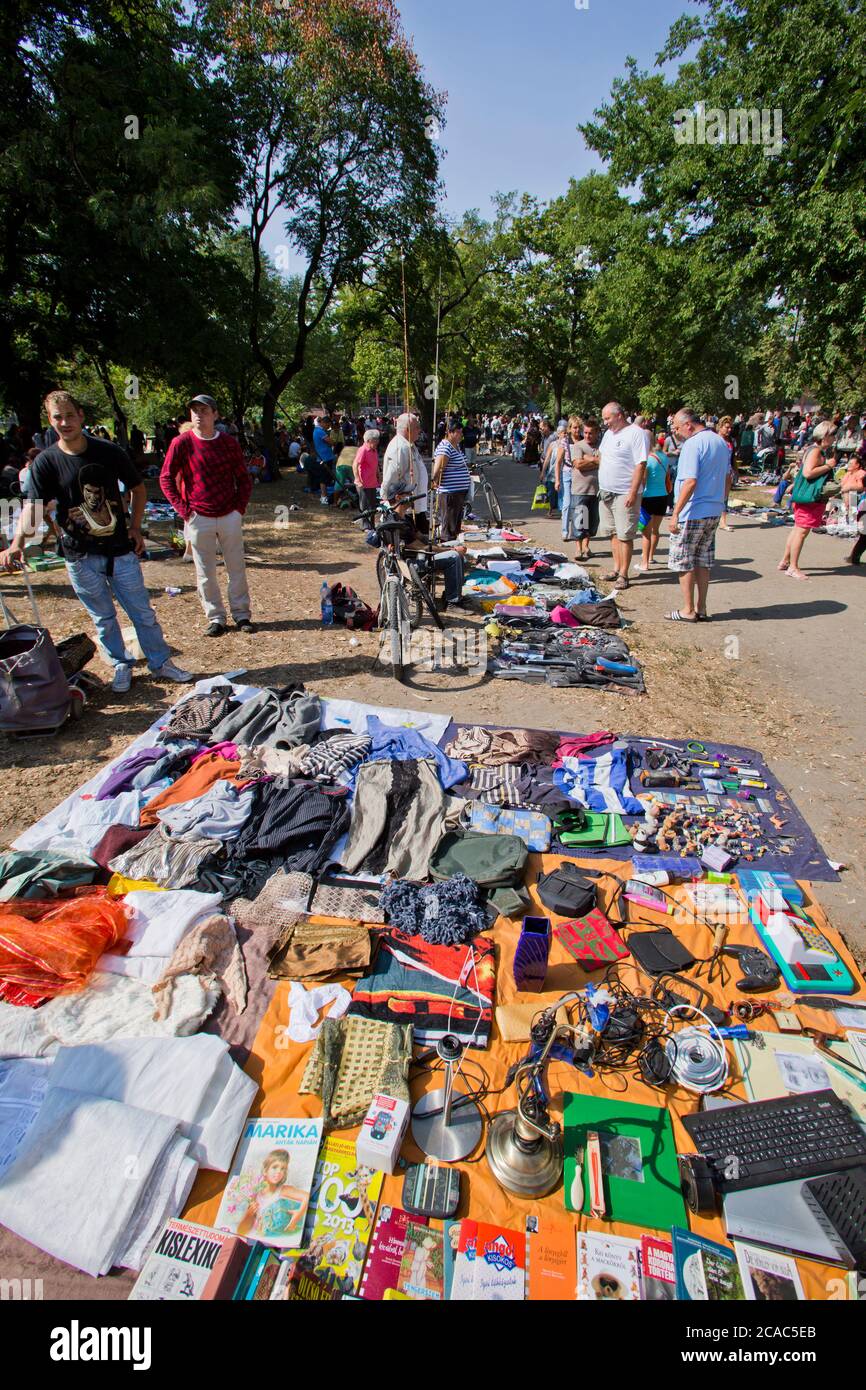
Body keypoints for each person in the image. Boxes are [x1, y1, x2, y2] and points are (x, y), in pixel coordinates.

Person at [0, 390, 191, 692]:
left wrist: (135, 527)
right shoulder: (46, 462)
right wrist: (17, 544)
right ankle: (120, 664)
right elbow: (34, 508)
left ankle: (160, 662)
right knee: (103, 618)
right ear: (50, 420)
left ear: (81, 416)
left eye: (70, 416)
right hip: (79, 555)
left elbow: (138, 489)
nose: (65, 422)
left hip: (119, 550)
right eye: (58, 417)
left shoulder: (108, 451)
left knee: (142, 612)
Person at [160, 393, 255, 637]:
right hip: (198, 515)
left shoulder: (228, 443)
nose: (199, 415)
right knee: (205, 572)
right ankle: (215, 617)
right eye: (195, 411)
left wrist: (238, 509)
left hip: (228, 514)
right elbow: (166, 478)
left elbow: (243, 478)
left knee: (236, 567)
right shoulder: (182, 443)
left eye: (204, 411)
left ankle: (241, 614)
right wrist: (185, 511)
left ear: (215, 414)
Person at [665, 408, 732, 621]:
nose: (676, 432)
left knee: (684, 560)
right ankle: (701, 607)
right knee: (703, 560)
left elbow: (690, 481)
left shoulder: (693, 444)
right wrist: (721, 501)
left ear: (688, 425)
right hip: (713, 509)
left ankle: (688, 610)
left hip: (693, 511)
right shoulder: (720, 442)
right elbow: (728, 477)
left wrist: (675, 513)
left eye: (677, 428)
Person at [778, 420, 838, 580]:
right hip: (809, 498)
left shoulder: (814, 449)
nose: (834, 438)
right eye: (833, 435)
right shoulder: (816, 451)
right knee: (801, 532)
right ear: (825, 435)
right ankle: (793, 567)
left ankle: (785, 561)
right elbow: (808, 473)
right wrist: (828, 466)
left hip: (805, 497)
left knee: (797, 530)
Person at [598, 401, 648, 589]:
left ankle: (624, 574)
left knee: (625, 535)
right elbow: (602, 456)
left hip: (624, 493)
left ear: (619, 415)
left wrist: (633, 492)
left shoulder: (636, 433)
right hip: (606, 491)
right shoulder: (608, 434)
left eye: (607, 418)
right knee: (612, 533)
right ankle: (616, 569)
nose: (605, 423)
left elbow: (640, 464)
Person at [382, 412, 429, 530]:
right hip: (405, 509)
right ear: (408, 430)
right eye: (417, 427)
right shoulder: (401, 448)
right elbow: (391, 478)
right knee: (413, 539)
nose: (419, 430)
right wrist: (388, 499)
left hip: (414, 506)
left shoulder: (409, 444)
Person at [566, 417, 601, 561]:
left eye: (590, 433)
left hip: (596, 490)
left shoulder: (601, 445)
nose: (587, 435)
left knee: (591, 521)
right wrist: (596, 461)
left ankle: (586, 547)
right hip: (580, 489)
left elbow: (605, 461)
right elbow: (578, 465)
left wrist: (589, 459)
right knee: (579, 520)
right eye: (585, 433)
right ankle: (578, 549)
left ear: (597, 432)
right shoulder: (578, 446)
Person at [637, 433, 671, 570]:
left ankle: (644, 563)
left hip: (648, 497)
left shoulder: (647, 459)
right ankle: (651, 557)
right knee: (655, 530)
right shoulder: (664, 456)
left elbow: (643, 481)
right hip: (663, 496)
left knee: (646, 532)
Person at [432, 419, 471, 542]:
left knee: (455, 524)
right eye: (458, 432)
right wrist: (435, 481)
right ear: (450, 432)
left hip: (458, 492)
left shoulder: (456, 446)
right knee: (449, 525)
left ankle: (453, 544)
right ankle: (447, 544)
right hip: (449, 492)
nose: (461, 435)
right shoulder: (445, 446)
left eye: (461, 432)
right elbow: (439, 468)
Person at [353, 429, 381, 513]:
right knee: (365, 507)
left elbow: (375, 464)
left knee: (372, 507)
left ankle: (371, 521)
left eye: (378, 439)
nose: (378, 442)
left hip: (372, 482)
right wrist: (358, 480)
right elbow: (355, 465)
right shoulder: (363, 450)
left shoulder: (374, 449)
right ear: (369, 441)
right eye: (375, 440)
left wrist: (379, 476)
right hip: (364, 483)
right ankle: (364, 522)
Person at [716, 415, 737, 530]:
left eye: (730, 428)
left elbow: (733, 457)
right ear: (720, 427)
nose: (729, 430)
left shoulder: (731, 441)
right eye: (727, 427)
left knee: (724, 497)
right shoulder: (715, 439)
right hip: (715, 471)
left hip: (727, 471)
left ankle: (723, 521)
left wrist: (735, 470)